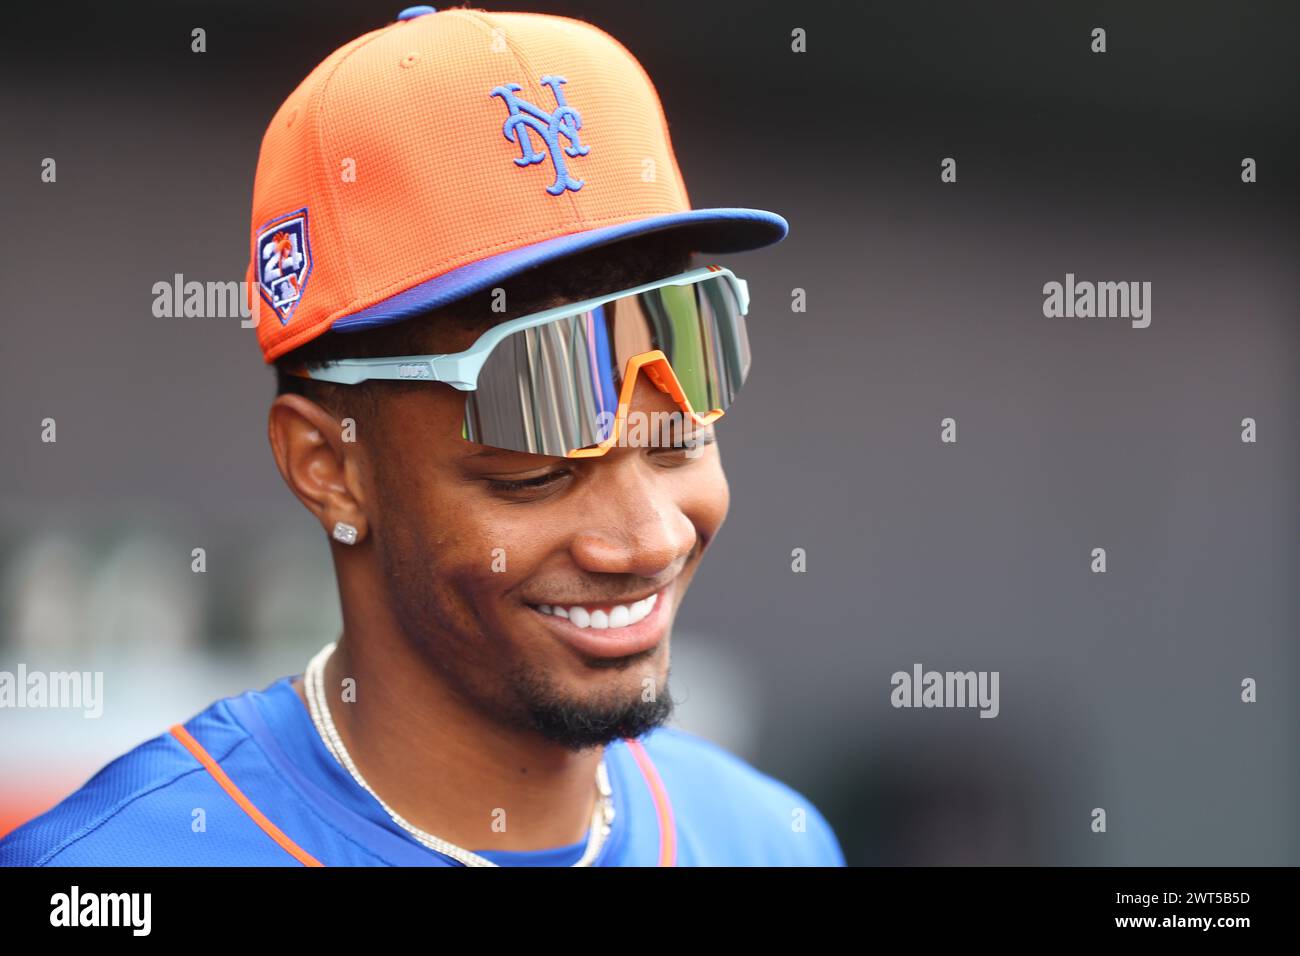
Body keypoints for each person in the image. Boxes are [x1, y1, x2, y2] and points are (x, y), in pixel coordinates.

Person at [0, 5, 844, 866]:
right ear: (328, 467)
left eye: (676, 433)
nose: (650, 536)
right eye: (538, 466)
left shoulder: (771, 840)